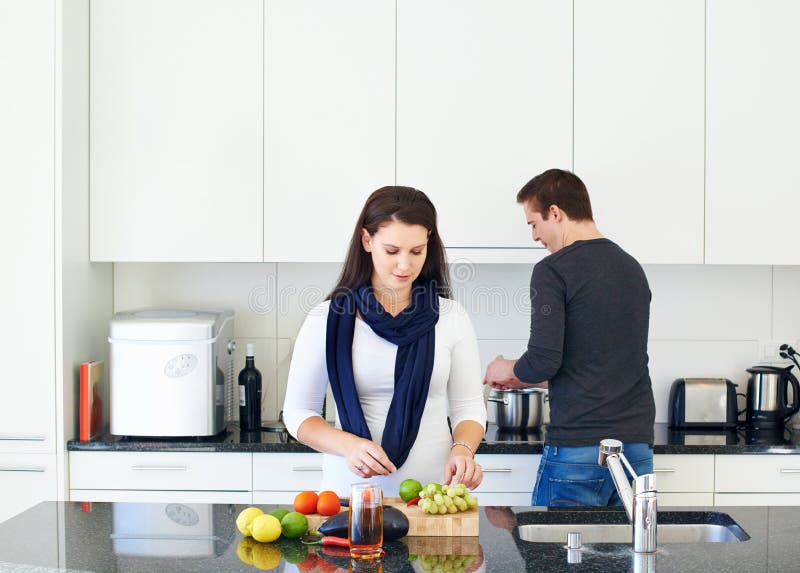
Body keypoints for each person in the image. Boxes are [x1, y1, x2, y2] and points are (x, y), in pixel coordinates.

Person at [283, 186, 487, 497]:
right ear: (367, 241)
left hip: (432, 496)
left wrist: (463, 449)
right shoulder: (326, 319)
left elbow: (469, 407)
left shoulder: (451, 317)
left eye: (416, 251)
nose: (405, 265)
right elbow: (298, 413)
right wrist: (349, 445)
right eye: (392, 251)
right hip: (350, 497)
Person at [483, 168, 655, 507]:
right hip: (636, 448)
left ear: (556, 212)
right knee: (627, 557)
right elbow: (602, 366)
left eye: (533, 223)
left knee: (557, 560)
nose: (534, 236)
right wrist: (526, 380)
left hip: (580, 449)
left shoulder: (553, 269)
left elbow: (543, 360)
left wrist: (507, 369)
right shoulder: (632, 268)